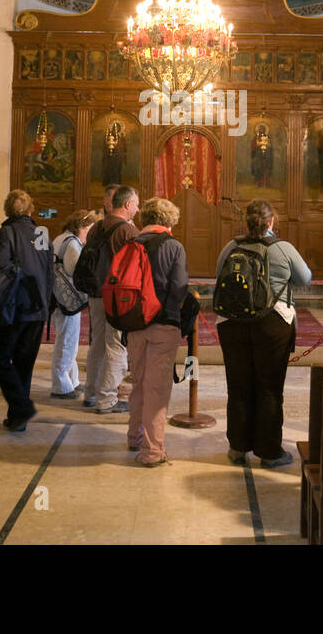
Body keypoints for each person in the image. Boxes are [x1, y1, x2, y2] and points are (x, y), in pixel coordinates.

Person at [214, 199, 311, 468]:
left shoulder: (231, 246)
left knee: (238, 385)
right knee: (269, 387)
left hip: (232, 321)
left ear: (247, 222)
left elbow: (217, 273)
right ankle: (269, 453)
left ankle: (237, 448)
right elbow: (305, 278)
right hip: (273, 322)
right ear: (271, 222)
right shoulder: (283, 248)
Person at [126, 198, 189, 467]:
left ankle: (134, 437)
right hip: (163, 323)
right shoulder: (173, 246)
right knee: (157, 387)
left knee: (138, 381)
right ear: (169, 219)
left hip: (133, 323)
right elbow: (179, 289)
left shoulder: (132, 244)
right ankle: (152, 452)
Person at [0, 189, 53, 431]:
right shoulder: (41, 232)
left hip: (14, 306)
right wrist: (46, 303)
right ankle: (18, 419)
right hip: (38, 307)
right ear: (29, 209)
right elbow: (48, 268)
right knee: (25, 361)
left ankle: (22, 407)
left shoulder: (8, 231)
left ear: (7, 209)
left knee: (1, 358)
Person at [81, 184, 139, 413]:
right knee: (116, 344)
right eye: (135, 203)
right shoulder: (128, 231)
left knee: (97, 343)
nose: (137, 208)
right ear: (126, 205)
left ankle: (91, 392)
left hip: (95, 292)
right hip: (116, 296)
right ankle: (106, 399)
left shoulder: (95, 228)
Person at [49, 209, 99, 400]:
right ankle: (60, 386)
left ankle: (72, 380)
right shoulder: (72, 244)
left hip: (57, 297)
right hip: (67, 299)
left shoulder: (61, 237)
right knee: (67, 341)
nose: (90, 233)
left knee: (67, 338)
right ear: (81, 227)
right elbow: (74, 271)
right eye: (90, 229)